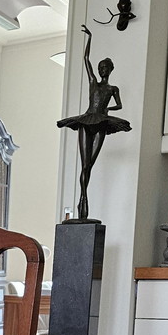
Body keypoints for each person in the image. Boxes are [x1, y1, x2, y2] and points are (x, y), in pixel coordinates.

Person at [57, 24, 131, 220]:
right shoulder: (93, 83)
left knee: (89, 164)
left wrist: (108, 110)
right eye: (101, 67)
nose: (102, 70)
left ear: (110, 70)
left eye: (105, 68)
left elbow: (120, 106)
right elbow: (85, 59)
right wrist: (90, 38)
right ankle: (83, 198)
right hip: (87, 120)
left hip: (101, 122)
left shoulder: (112, 88)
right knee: (84, 164)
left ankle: (83, 199)